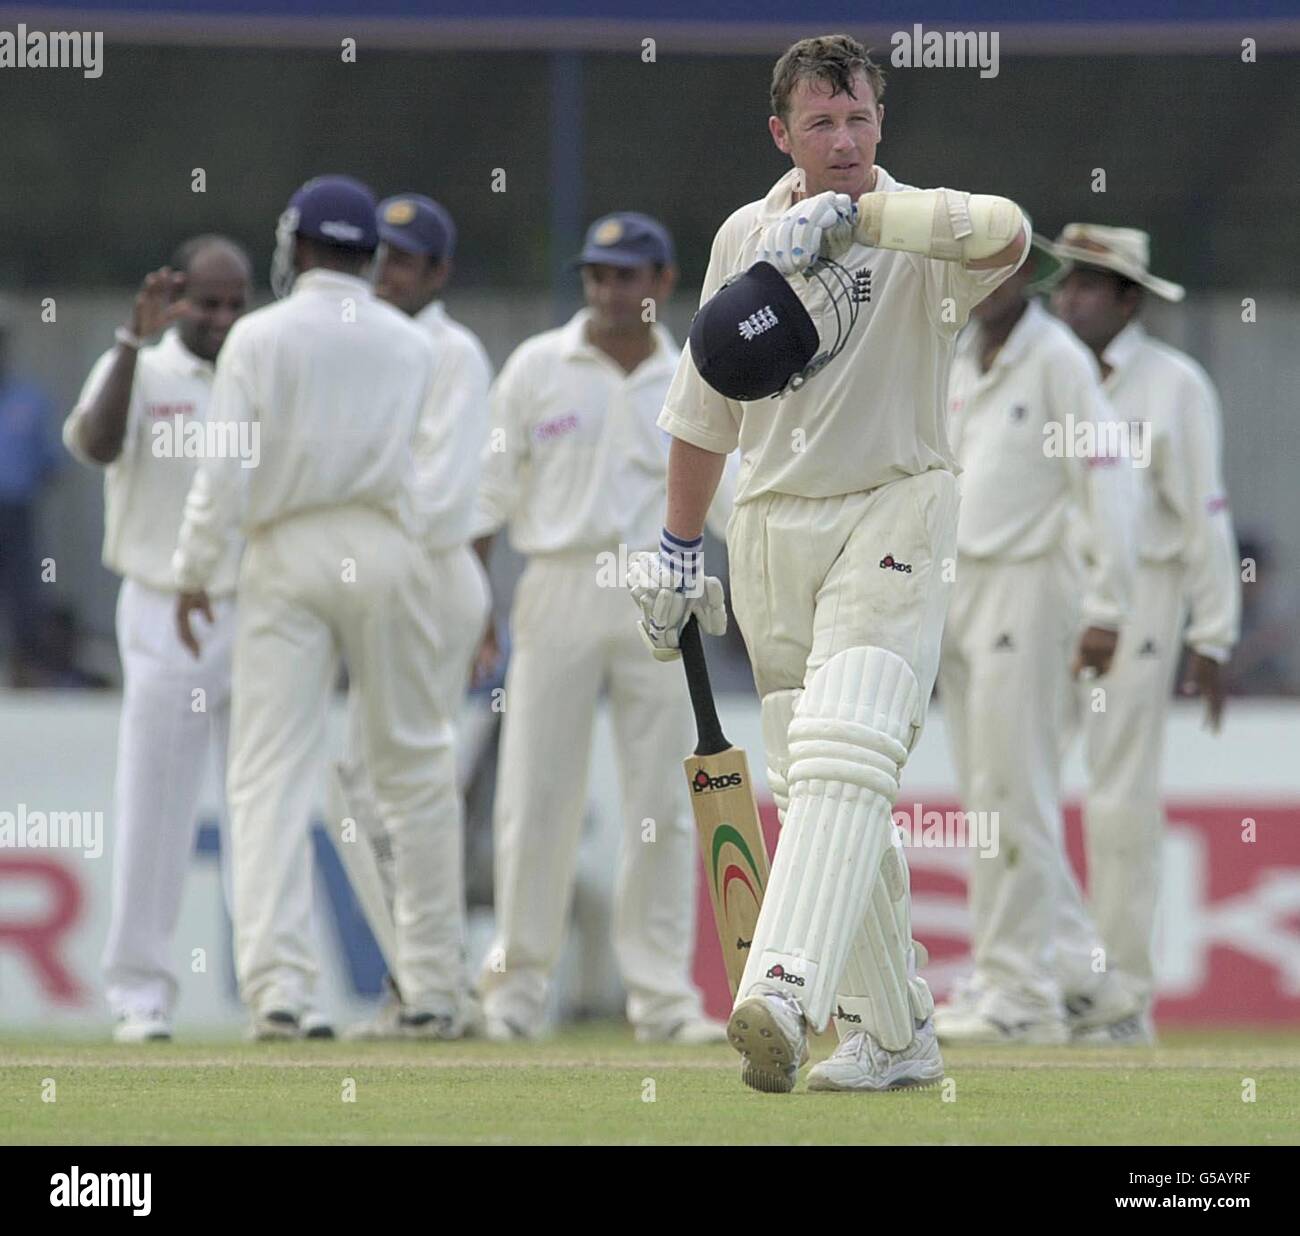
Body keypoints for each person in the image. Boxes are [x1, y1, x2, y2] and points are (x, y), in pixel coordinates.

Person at [631, 33, 1029, 1093]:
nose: (844, 140)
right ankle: (895, 1033)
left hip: (896, 500)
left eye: (859, 120)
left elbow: (1011, 234)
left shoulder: (918, 225)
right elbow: (704, 406)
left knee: (847, 744)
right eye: (821, 124)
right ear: (782, 132)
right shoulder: (741, 236)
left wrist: (857, 217)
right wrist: (676, 545)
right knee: (819, 776)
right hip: (769, 526)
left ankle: (783, 985)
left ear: (880, 121)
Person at [172, 176, 475, 1040]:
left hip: (285, 546)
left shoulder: (258, 338)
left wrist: (196, 569)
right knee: (415, 764)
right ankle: (432, 988)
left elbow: (224, 471)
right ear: (367, 253)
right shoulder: (409, 343)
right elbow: (424, 472)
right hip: (384, 545)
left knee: (268, 771)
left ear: (297, 247)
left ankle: (279, 991)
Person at [471, 211, 731, 1044]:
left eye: (627, 275)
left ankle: (660, 1001)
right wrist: (474, 605)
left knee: (659, 797)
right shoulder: (537, 367)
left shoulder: (696, 371)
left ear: (663, 281)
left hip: (660, 587)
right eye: (597, 276)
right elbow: (487, 497)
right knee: (536, 796)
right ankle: (515, 996)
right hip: (558, 583)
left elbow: (734, 503)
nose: (611, 291)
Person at [64, 236, 326, 1041]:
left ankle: (281, 992)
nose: (220, 317)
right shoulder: (140, 365)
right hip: (160, 605)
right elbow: (96, 446)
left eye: (234, 302)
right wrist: (129, 345)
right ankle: (140, 996)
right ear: (177, 299)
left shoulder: (265, 363)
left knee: (272, 803)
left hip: (260, 603)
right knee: (156, 805)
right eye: (206, 302)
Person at [931, 240, 1137, 1045]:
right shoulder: (956, 354)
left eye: (1000, 265)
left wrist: (1109, 606)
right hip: (959, 586)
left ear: (1027, 273)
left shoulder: (1056, 359)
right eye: (972, 265)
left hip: (1031, 583)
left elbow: (1109, 479)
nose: (986, 280)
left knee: (1015, 791)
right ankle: (1088, 984)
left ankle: (1021, 997)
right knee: (990, 794)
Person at [1048, 224, 1241, 1043]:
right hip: (1047, 592)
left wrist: (1217, 631)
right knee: (1018, 790)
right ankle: (1049, 979)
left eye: (1092, 285)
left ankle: (1123, 993)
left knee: (1121, 796)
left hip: (1146, 601)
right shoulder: (1045, 368)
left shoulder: (1174, 384)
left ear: (1130, 298)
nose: (1071, 298)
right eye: (1066, 282)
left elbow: (1204, 510)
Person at [335, 192, 493, 1038]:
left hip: (429, 577)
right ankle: (430, 983)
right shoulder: (362, 340)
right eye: (380, 255)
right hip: (389, 577)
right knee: (363, 788)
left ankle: (431, 989)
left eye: (406, 259)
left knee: (406, 782)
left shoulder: (453, 353)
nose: (387, 272)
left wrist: (348, 521)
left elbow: (436, 496)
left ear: (438, 271)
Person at [0, 315, 58, 686]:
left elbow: (50, 460)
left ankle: (24, 665)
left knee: (22, 587)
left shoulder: (29, 400)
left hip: (15, 509)